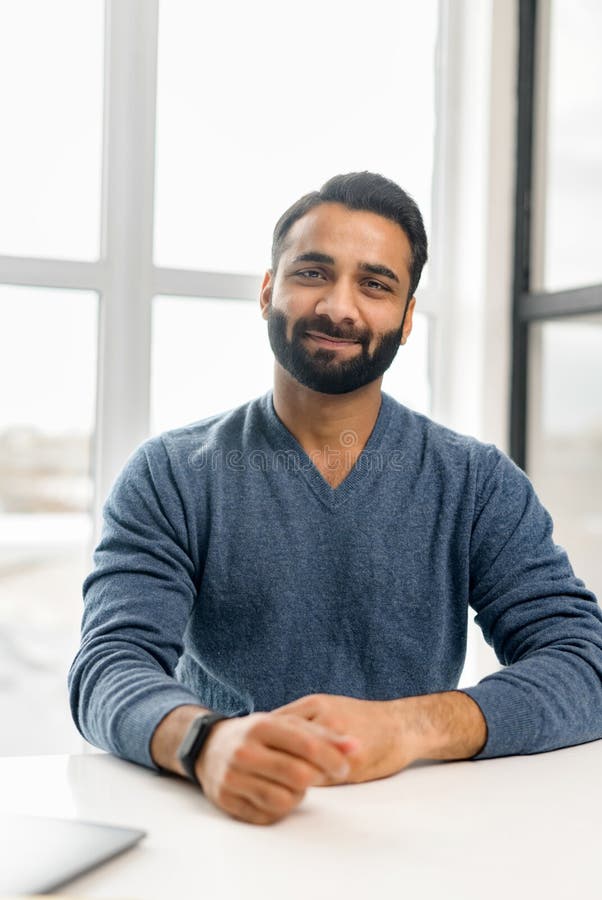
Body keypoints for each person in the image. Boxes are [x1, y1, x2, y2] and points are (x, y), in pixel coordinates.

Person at [69, 172, 602, 826]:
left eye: (375, 284)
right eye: (313, 273)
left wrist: (408, 727)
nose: (339, 306)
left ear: (407, 319)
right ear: (268, 292)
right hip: (221, 821)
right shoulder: (170, 474)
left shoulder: (477, 483)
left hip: (416, 832)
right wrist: (204, 741)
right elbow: (108, 666)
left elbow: (584, 665)